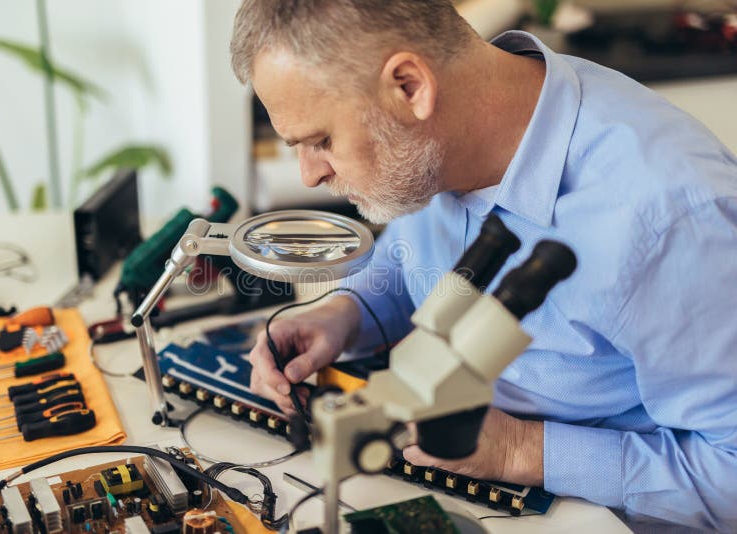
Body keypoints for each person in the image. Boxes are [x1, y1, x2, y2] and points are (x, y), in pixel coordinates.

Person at [230, 1, 737, 530]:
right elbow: (410, 269)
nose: (309, 175)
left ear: (408, 86)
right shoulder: (433, 147)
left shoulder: (672, 219)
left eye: (321, 141)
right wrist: (345, 314)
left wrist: (524, 451)